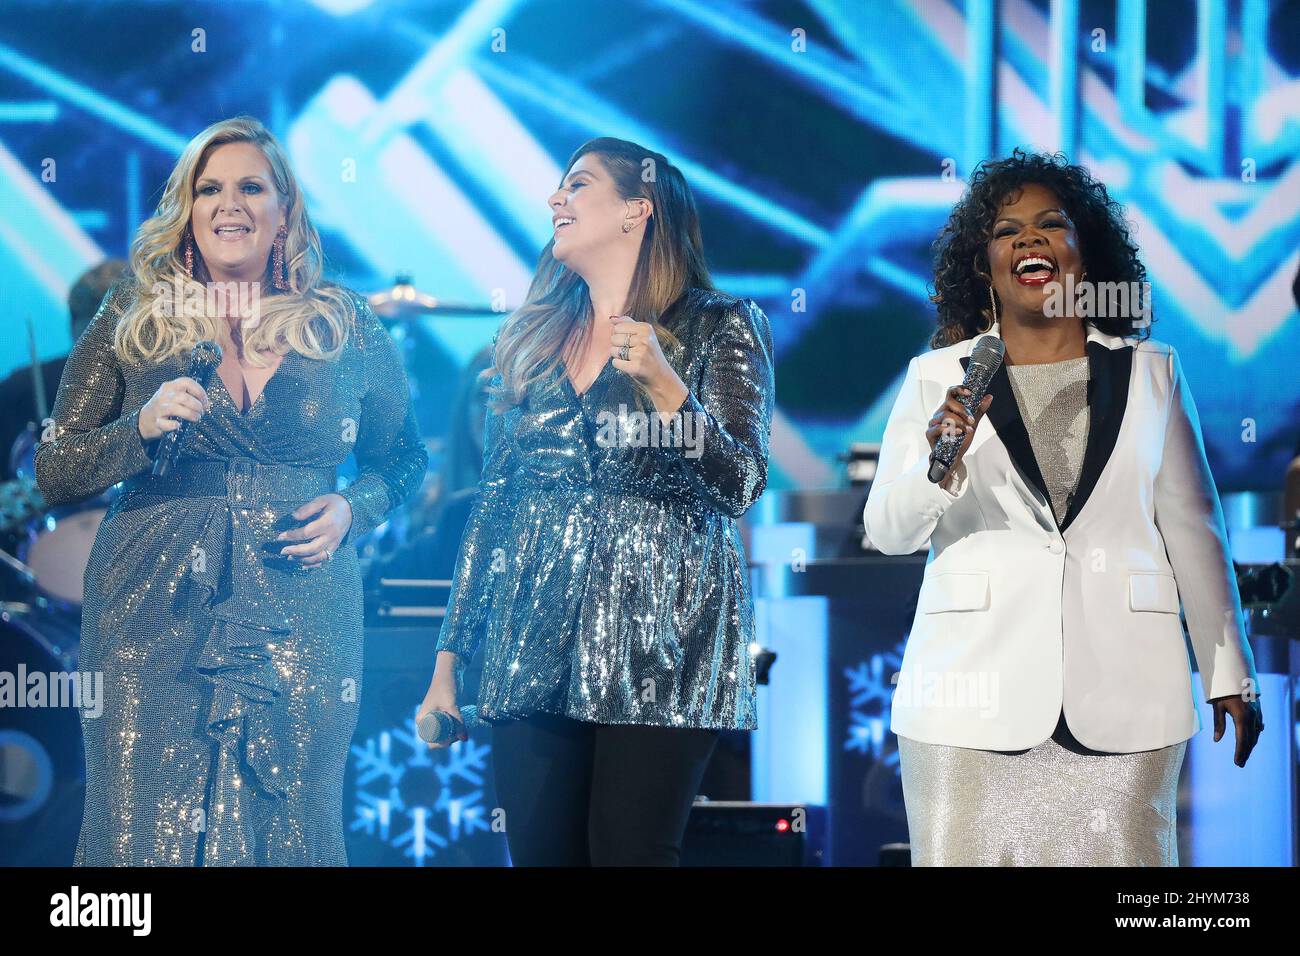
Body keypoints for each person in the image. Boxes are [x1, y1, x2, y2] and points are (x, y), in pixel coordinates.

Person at [34, 116, 427, 865]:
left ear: (287, 210)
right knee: (142, 835)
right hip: (151, 606)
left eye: (251, 186)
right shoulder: (135, 311)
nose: (228, 203)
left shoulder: (342, 323)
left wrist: (354, 507)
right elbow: (57, 470)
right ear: (185, 208)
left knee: (291, 825)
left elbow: (403, 459)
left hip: (303, 607)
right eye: (207, 188)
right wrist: (139, 431)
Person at [864, 149, 1262, 866]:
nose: (1029, 239)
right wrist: (940, 463)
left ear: (1087, 253)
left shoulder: (1150, 372)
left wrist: (1228, 670)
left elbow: (1193, 528)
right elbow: (888, 531)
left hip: (1127, 697)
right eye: (1007, 230)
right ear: (983, 267)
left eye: (1052, 223)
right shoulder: (935, 379)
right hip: (967, 708)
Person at [417, 137, 774, 866]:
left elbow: (740, 484)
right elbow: (494, 509)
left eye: (577, 185)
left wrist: (668, 387)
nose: (556, 199)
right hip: (533, 640)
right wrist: (449, 658)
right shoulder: (528, 341)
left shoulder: (718, 324)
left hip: (660, 643)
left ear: (637, 211)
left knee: (630, 855)